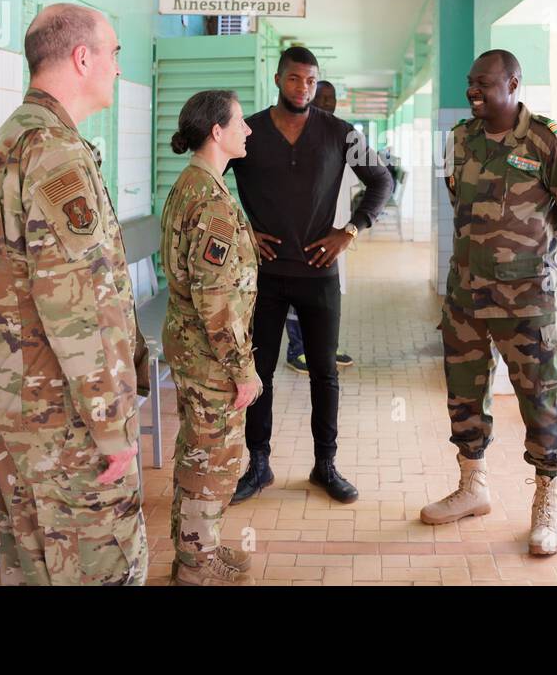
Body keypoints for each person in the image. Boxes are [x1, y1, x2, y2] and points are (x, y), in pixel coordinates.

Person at [0, 3, 147, 586]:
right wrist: (111, 423)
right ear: (81, 57)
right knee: (102, 564)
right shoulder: (55, 154)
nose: (118, 68)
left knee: (36, 562)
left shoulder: (9, 142)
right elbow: (78, 307)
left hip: (19, 408)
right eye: (114, 53)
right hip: (65, 417)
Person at [421, 49, 557, 556]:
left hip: (527, 304)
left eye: (484, 84)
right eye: (470, 83)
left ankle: (547, 501)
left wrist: (538, 261)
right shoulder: (457, 139)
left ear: (514, 83)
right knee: (463, 395)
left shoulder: (548, 140)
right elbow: (462, 206)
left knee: (539, 400)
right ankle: (473, 486)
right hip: (466, 298)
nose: (473, 91)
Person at [228, 47, 394, 504]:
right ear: (279, 79)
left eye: (311, 80)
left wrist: (351, 231)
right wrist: (244, 231)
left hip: (320, 272)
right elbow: (210, 177)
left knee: (323, 371)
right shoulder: (249, 131)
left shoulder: (341, 133)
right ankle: (258, 464)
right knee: (258, 371)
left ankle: (325, 465)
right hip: (263, 275)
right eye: (295, 79)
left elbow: (382, 180)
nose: (303, 88)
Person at [159, 90, 262, 586]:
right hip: (210, 359)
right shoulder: (210, 201)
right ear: (216, 132)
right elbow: (214, 300)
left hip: (192, 351)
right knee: (215, 464)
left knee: (197, 453)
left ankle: (195, 554)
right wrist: (243, 370)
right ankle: (197, 571)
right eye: (240, 122)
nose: (248, 130)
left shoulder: (195, 185)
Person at [279, 80, 357, 374]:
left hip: (336, 230)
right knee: (300, 295)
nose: (326, 102)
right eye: (321, 97)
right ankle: (297, 350)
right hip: (304, 232)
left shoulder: (341, 133)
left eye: (331, 97)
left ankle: (325, 349)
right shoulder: (299, 137)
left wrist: (349, 229)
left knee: (329, 293)